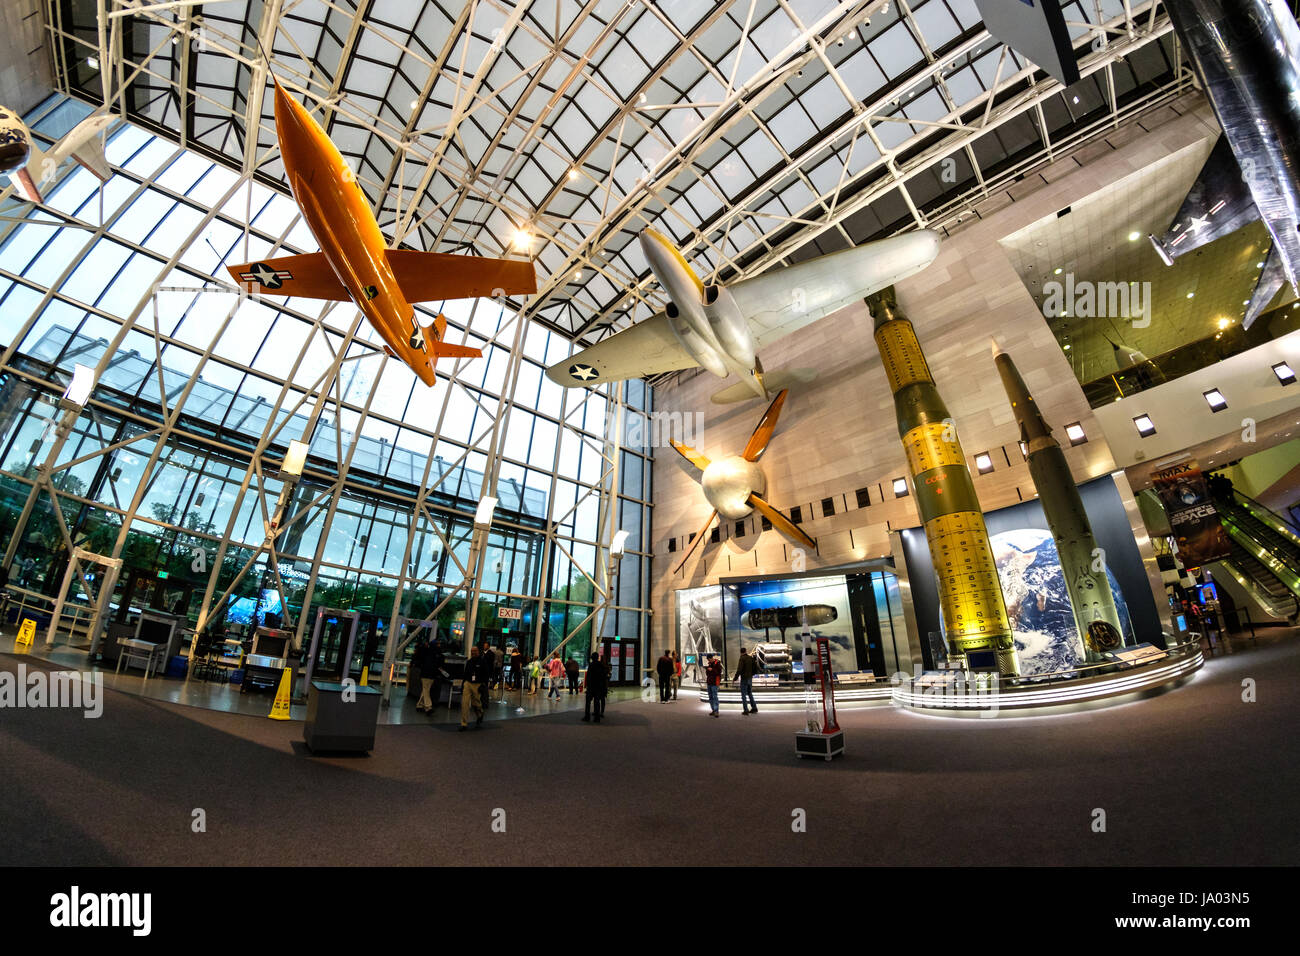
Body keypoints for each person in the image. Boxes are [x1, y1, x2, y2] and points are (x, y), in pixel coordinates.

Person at [460, 645, 486, 731]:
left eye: (475, 651)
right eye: (472, 651)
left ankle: (480, 714)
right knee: (465, 704)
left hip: (477, 684)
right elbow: (465, 674)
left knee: (476, 704)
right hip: (468, 683)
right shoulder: (469, 662)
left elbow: (486, 674)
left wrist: (483, 685)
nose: (473, 653)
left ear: (478, 652)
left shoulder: (482, 662)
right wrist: (463, 684)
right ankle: (464, 724)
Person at [417, 639, 445, 712]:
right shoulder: (438, 654)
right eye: (438, 644)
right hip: (431, 674)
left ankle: (419, 705)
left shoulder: (426, 652)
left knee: (425, 689)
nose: (439, 645)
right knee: (426, 689)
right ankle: (428, 707)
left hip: (426, 673)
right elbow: (440, 663)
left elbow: (420, 658)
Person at [583, 650, 608, 723]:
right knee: (597, 702)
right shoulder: (601, 665)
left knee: (588, 702)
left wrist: (587, 685)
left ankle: (587, 716)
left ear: (592, 658)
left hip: (591, 686)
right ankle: (597, 718)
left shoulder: (591, 665)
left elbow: (589, 677)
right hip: (599, 687)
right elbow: (604, 677)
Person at [734, 646, 758, 715]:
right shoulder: (750, 658)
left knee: (743, 695)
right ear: (746, 651)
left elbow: (739, 669)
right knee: (750, 693)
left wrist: (735, 678)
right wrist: (752, 674)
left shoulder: (742, 658)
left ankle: (746, 710)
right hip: (749, 678)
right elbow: (755, 668)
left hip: (744, 679)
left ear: (740, 652)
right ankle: (754, 708)